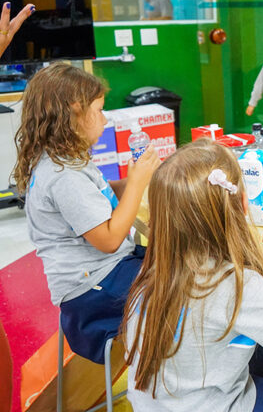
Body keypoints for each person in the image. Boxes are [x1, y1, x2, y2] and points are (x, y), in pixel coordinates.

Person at [122, 139, 263, 411]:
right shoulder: (236, 287)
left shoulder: (159, 267)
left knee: (262, 359)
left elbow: (210, 274)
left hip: (160, 404)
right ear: (242, 202)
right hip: (214, 405)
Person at [13, 62, 160, 363]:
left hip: (107, 270)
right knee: (186, 278)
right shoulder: (63, 175)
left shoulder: (66, 158)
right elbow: (108, 239)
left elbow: (101, 194)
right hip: (93, 290)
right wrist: (137, 184)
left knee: (181, 257)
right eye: (99, 110)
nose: (105, 120)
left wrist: (137, 180)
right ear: (74, 113)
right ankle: (172, 367)